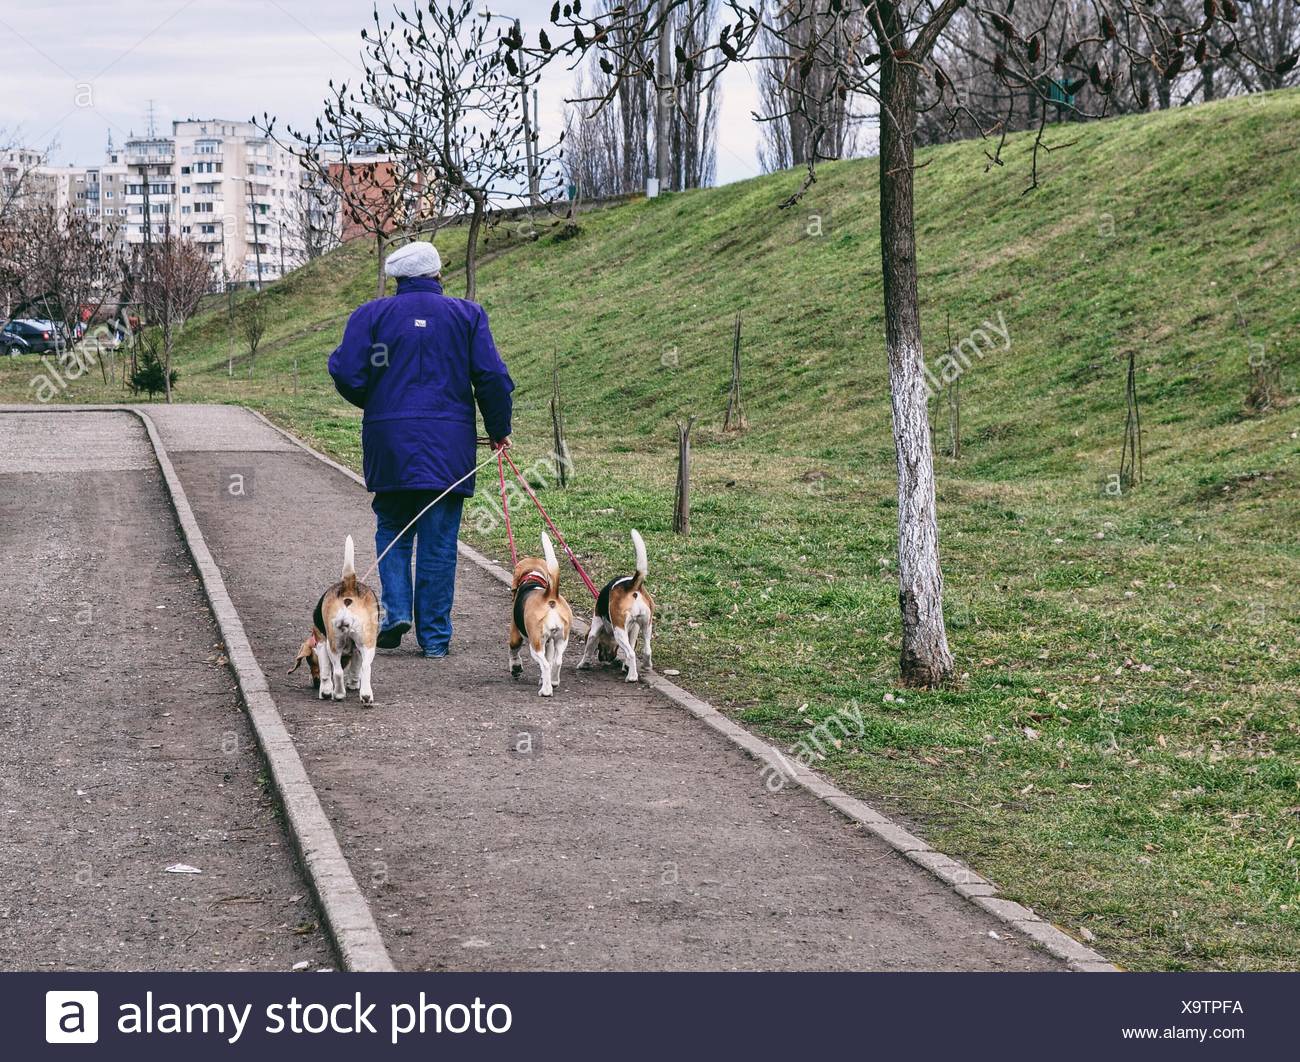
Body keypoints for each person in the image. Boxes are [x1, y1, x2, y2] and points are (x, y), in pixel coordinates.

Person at [328, 240, 513, 657]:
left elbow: (345, 370)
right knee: (439, 540)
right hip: (449, 446)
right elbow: (491, 377)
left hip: (389, 440)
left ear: (398, 278)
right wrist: (499, 428)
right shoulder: (467, 315)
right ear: (437, 275)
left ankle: (393, 611)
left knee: (393, 524)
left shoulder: (370, 315)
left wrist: (376, 402)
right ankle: (434, 641)